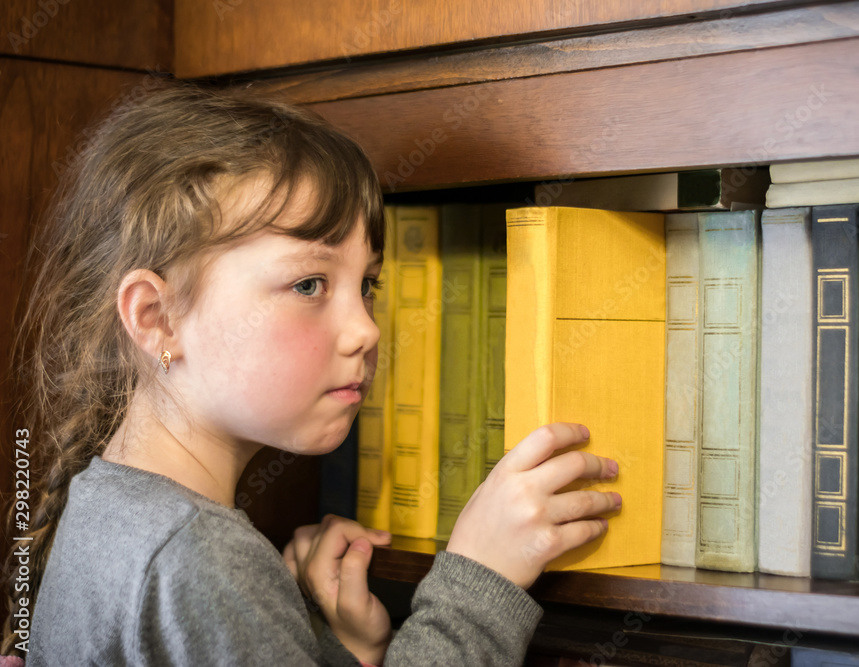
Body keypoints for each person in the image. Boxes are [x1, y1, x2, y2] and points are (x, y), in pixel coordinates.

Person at [1, 84, 621, 666]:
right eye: (308, 284)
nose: (367, 331)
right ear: (158, 318)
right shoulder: (200, 558)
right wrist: (477, 585)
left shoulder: (106, 508)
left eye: (368, 285)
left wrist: (337, 648)